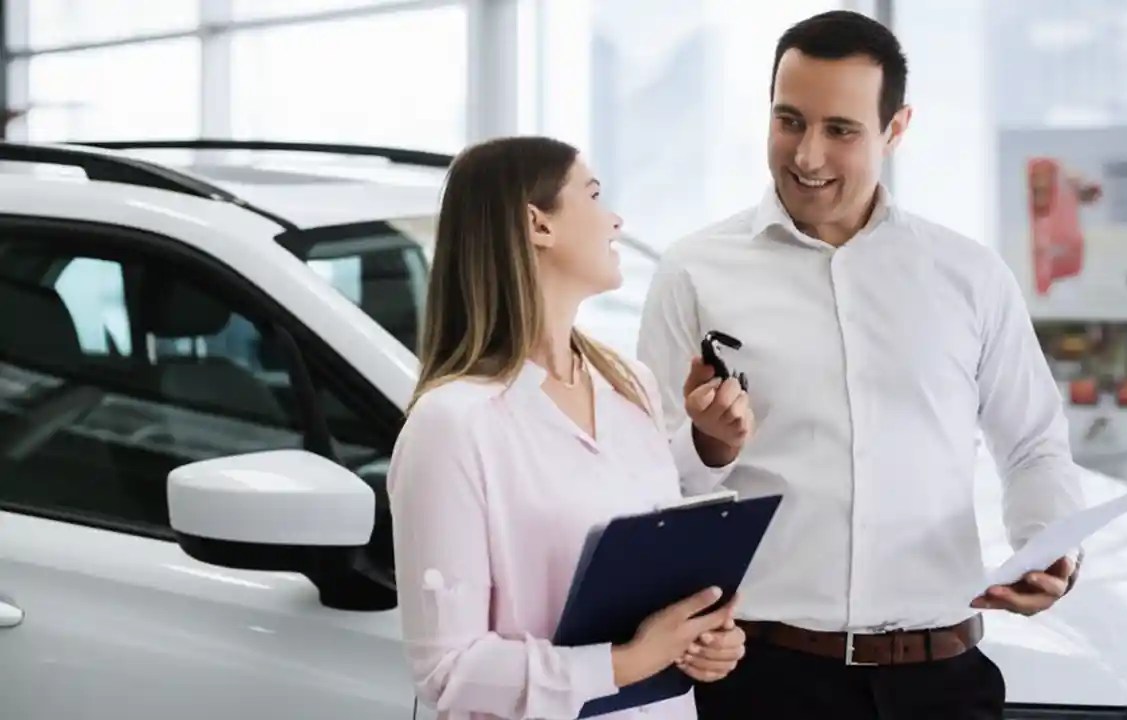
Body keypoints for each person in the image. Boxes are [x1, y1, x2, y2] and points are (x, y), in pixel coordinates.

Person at [638, 11, 1085, 719]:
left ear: (895, 129)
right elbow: (645, 484)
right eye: (789, 121)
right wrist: (706, 445)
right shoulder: (694, 273)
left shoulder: (969, 276)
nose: (807, 155)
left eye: (840, 130)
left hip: (944, 684)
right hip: (766, 682)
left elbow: (1032, 444)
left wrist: (1047, 547)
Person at [386, 136, 756, 720]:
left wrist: (699, 640)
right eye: (594, 195)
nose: (616, 219)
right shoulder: (451, 425)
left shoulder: (628, 384)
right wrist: (630, 661)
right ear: (538, 224)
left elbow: (638, 533)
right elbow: (448, 671)